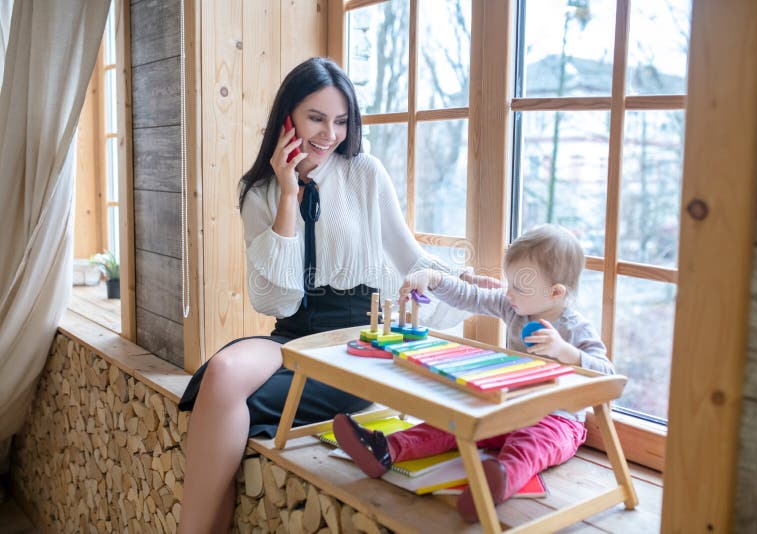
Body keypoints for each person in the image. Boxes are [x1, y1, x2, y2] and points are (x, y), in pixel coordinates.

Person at [176, 57, 469, 533]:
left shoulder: (365, 173)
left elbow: (410, 259)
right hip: (293, 335)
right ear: (287, 115)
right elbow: (277, 302)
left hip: (356, 344)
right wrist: (289, 196)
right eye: (316, 117)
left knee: (222, 409)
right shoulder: (260, 192)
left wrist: (469, 286)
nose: (329, 133)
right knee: (224, 373)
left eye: (341, 120)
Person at [332, 224, 613, 522]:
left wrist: (567, 352)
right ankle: (386, 449)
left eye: (519, 286)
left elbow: (607, 373)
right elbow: (472, 296)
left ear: (556, 292)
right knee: (452, 426)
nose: (509, 292)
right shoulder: (515, 307)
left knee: (529, 446)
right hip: (512, 407)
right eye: (510, 283)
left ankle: (499, 481)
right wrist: (434, 278)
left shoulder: (574, 327)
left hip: (558, 420)